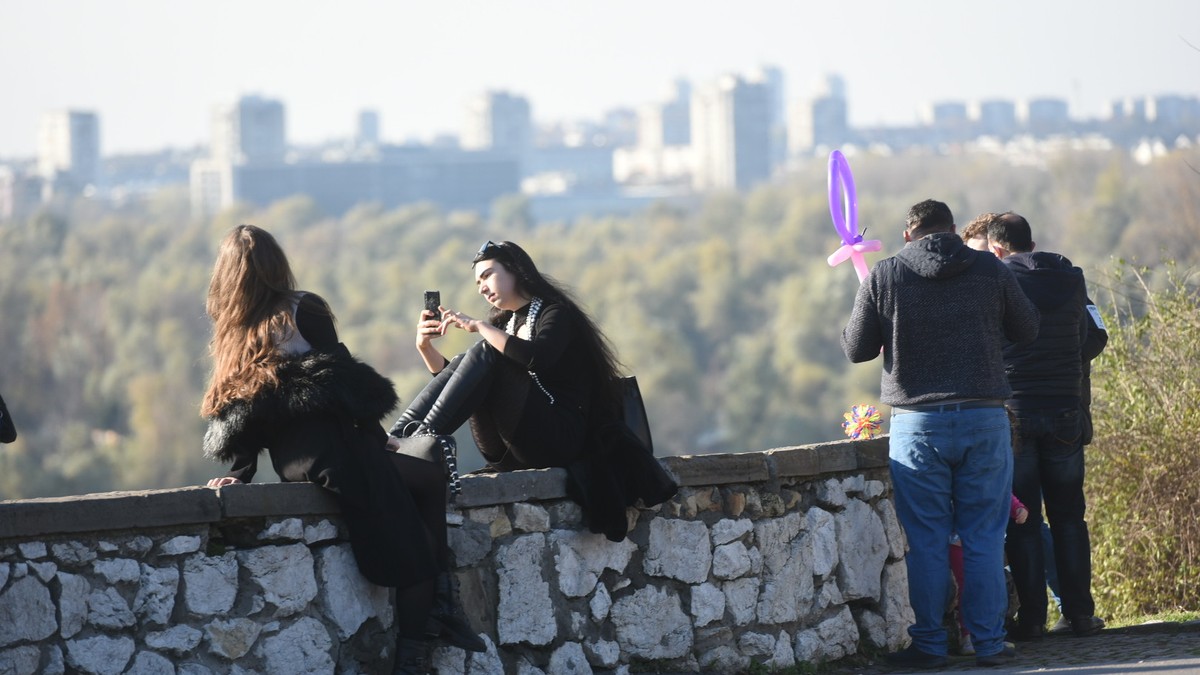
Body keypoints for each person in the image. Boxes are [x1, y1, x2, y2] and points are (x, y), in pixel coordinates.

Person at [200, 225, 482, 675]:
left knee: (428, 479)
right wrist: (376, 437)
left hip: (294, 463)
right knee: (416, 555)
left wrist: (241, 473)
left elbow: (237, 411)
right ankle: (415, 651)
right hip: (338, 452)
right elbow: (345, 381)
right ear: (276, 266)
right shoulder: (300, 309)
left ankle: (443, 604)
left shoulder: (232, 332)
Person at [841, 199, 1039, 669]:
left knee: (927, 540)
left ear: (908, 236)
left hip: (918, 424)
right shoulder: (991, 272)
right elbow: (1028, 329)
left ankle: (930, 645)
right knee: (984, 538)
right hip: (984, 417)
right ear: (952, 230)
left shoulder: (885, 275)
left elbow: (856, 349)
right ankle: (989, 644)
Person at [389, 240, 676, 541]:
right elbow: (463, 386)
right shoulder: (506, 325)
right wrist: (424, 348)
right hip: (510, 446)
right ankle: (397, 441)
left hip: (558, 437)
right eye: (477, 282)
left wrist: (479, 327)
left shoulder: (556, 313)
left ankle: (413, 447)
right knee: (467, 361)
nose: (481, 288)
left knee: (484, 353)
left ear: (515, 269)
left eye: (487, 275)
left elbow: (538, 357)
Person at [984, 212, 1108, 640]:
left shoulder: (996, 279)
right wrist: (1066, 361)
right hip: (1066, 409)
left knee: (1024, 519)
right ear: (1031, 245)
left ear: (997, 249)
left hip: (1015, 412)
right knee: (1070, 516)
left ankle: (1033, 620)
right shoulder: (1072, 278)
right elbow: (1097, 334)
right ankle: (1080, 615)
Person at [950, 494, 1029, 656]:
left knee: (990, 588)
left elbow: (1000, 489)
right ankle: (969, 636)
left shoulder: (986, 471)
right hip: (959, 539)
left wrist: (1018, 507)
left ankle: (991, 634)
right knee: (968, 589)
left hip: (986, 539)